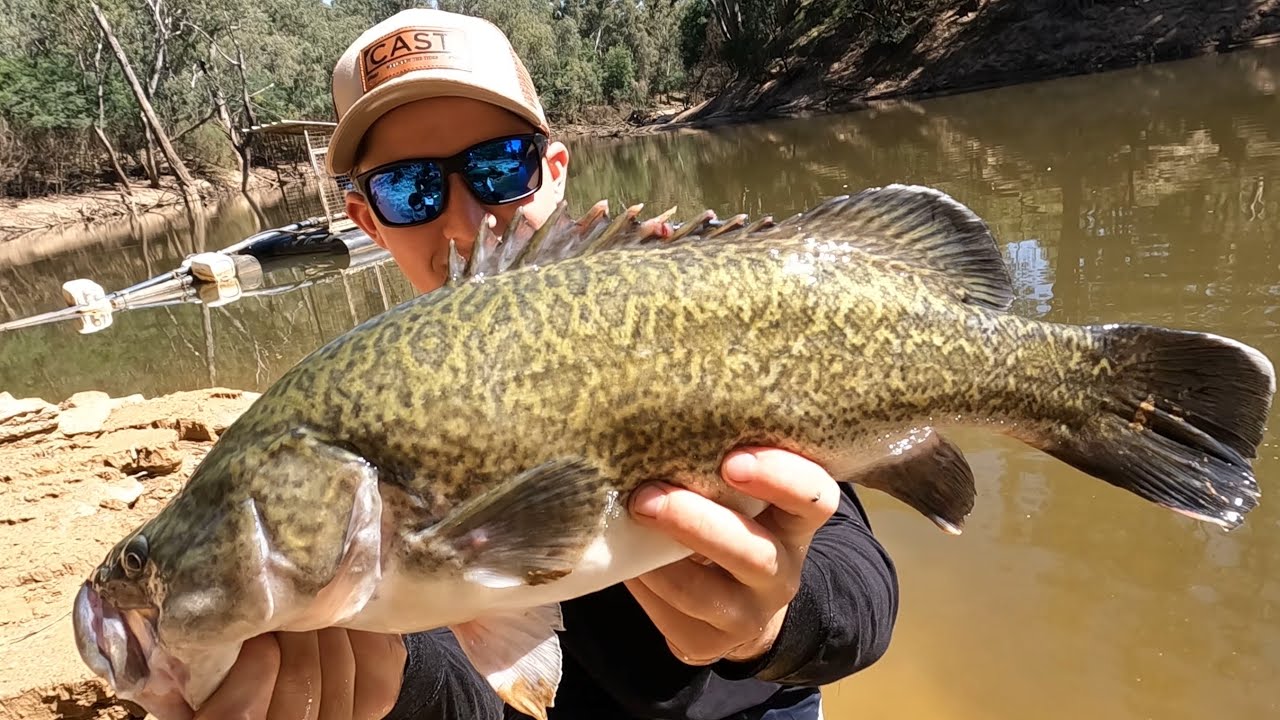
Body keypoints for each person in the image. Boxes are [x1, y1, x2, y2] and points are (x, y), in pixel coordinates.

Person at [190, 8, 899, 720]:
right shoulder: (366, 417)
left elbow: (861, 589)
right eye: (410, 188)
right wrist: (394, 683)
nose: (466, 219)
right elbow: (492, 696)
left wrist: (774, 624)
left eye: (499, 167)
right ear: (368, 219)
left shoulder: (676, 314)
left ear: (552, 172)